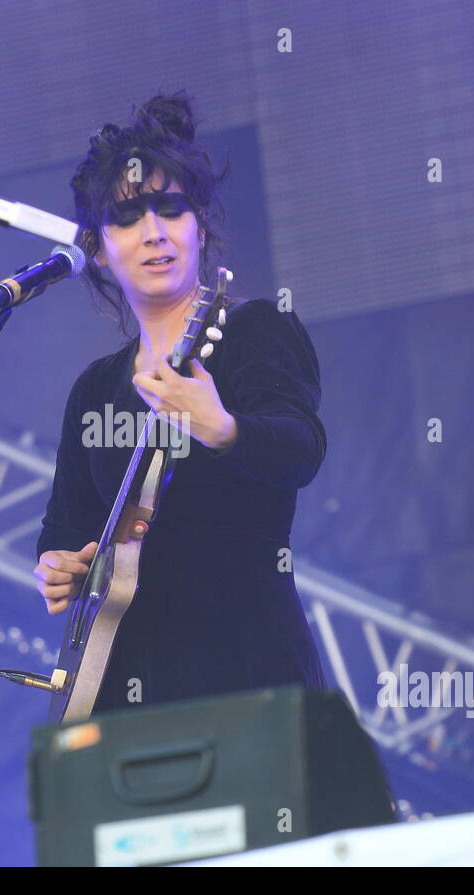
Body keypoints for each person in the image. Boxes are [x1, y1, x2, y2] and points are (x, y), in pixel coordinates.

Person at [34, 90, 328, 714]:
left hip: (249, 671)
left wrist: (221, 427)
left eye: (171, 208)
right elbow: (65, 529)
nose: (155, 232)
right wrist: (59, 567)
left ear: (199, 223)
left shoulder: (254, 330)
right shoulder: (93, 389)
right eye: (128, 217)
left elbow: (301, 450)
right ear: (97, 247)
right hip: (123, 685)